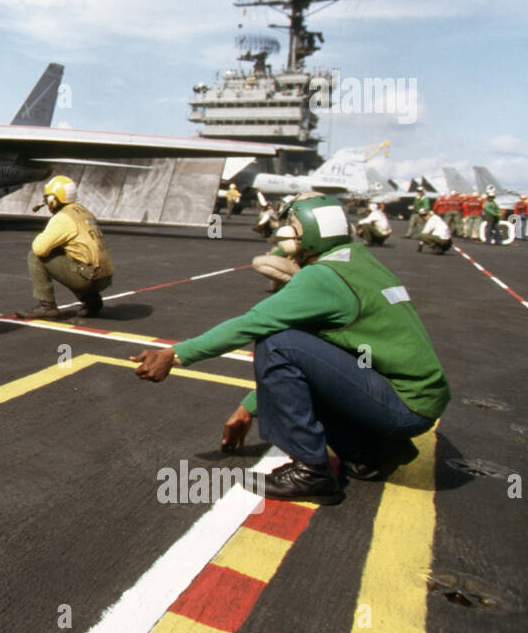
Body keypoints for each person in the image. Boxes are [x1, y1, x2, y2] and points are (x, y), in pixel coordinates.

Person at [131, 193, 450, 503]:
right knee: (299, 348)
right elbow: (320, 351)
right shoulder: (358, 259)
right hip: (410, 399)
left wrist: (174, 355)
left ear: (308, 234)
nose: (288, 234)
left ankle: (312, 472)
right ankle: (374, 453)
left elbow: (251, 324)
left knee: (277, 343)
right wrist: (248, 407)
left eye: (294, 227)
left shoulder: (322, 277)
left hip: (401, 406)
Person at [16, 175, 113, 319]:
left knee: (35, 256)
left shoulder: (62, 218)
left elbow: (39, 248)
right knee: (72, 254)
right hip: (105, 277)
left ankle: (47, 307)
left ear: (53, 199)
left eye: (48, 197)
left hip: (88, 277)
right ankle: (92, 301)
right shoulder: (84, 212)